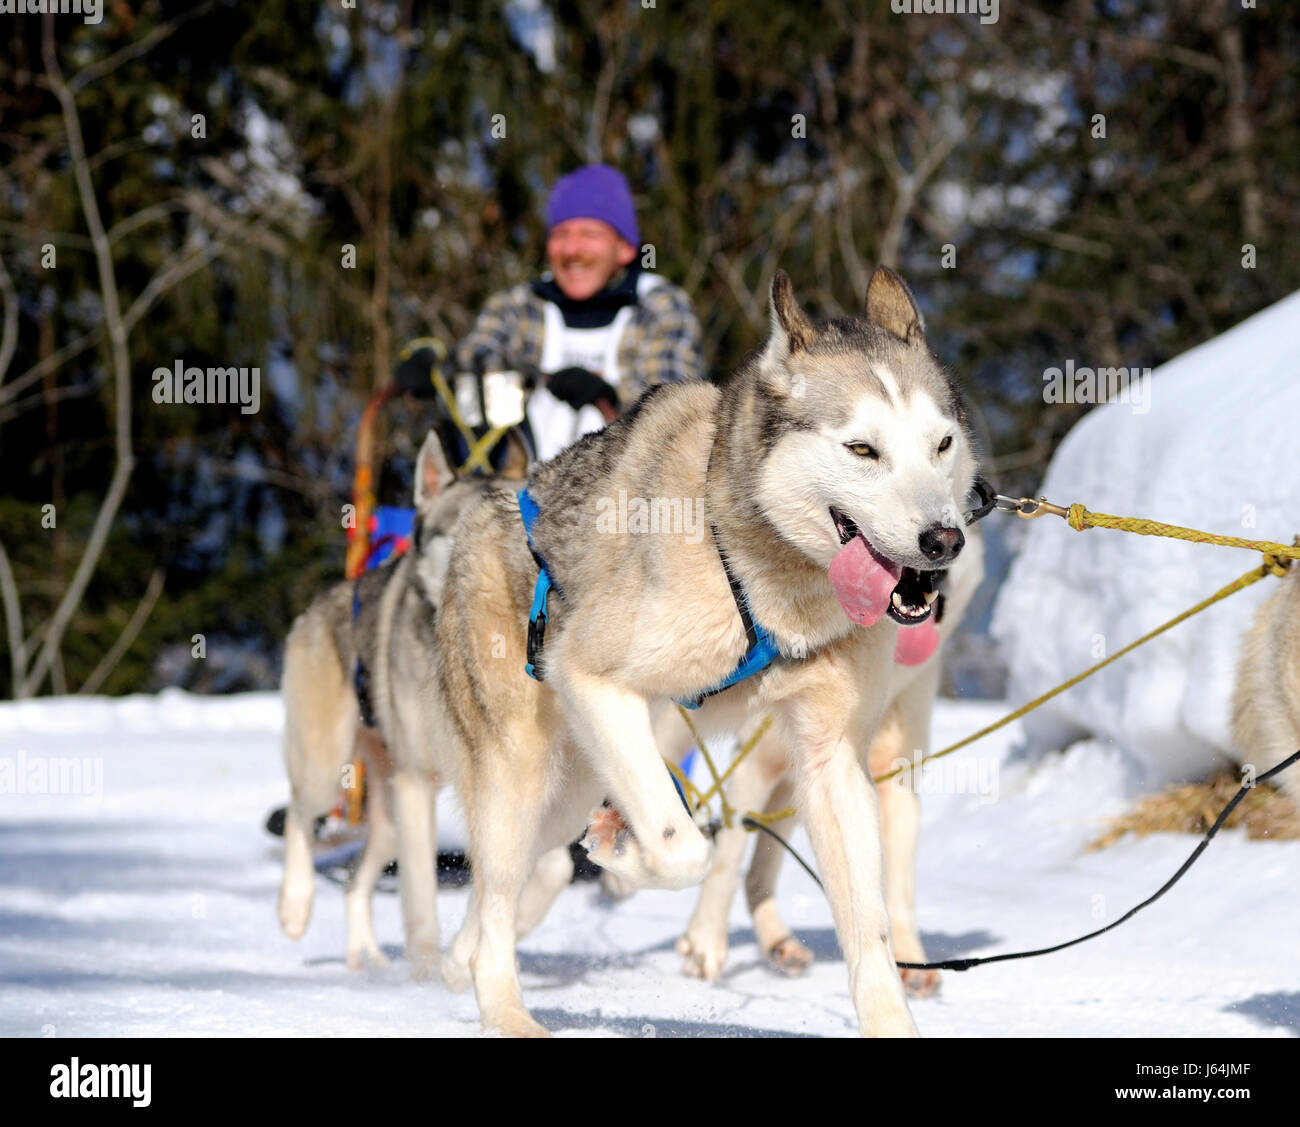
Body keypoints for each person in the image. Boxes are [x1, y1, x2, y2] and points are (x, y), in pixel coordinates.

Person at [453, 164, 704, 462]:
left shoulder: (660, 307)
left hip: (622, 492)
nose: (572, 249)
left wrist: (610, 398)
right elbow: (475, 372)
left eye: (589, 234)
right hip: (520, 489)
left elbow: (673, 413)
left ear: (624, 247)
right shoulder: (520, 305)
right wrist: (442, 371)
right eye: (560, 234)